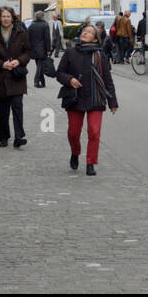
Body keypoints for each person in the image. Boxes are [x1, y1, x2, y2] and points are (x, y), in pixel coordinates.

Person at [56, 23, 118, 175]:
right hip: (75, 98)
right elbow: (59, 73)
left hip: (96, 98)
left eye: (90, 32)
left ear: (96, 39)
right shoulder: (70, 52)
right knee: (73, 133)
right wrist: (70, 80)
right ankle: (75, 152)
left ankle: (90, 163)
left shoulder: (100, 55)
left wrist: (113, 101)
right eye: (84, 31)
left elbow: (107, 80)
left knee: (94, 132)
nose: (85, 33)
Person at [0, 7, 30, 148]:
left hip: (16, 77)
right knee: (2, 111)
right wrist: (2, 64)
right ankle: (4, 136)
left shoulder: (21, 33)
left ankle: (19, 137)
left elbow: (28, 52)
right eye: (3, 16)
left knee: (17, 108)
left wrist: (19, 61)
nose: (6, 19)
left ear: (13, 18)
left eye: (8, 16)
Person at [29, 11, 52, 88]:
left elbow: (28, 38)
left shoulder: (31, 25)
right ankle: (36, 81)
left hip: (34, 49)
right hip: (42, 48)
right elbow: (47, 38)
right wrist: (49, 49)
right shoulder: (45, 25)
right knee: (40, 66)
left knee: (39, 65)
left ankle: (42, 82)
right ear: (43, 17)